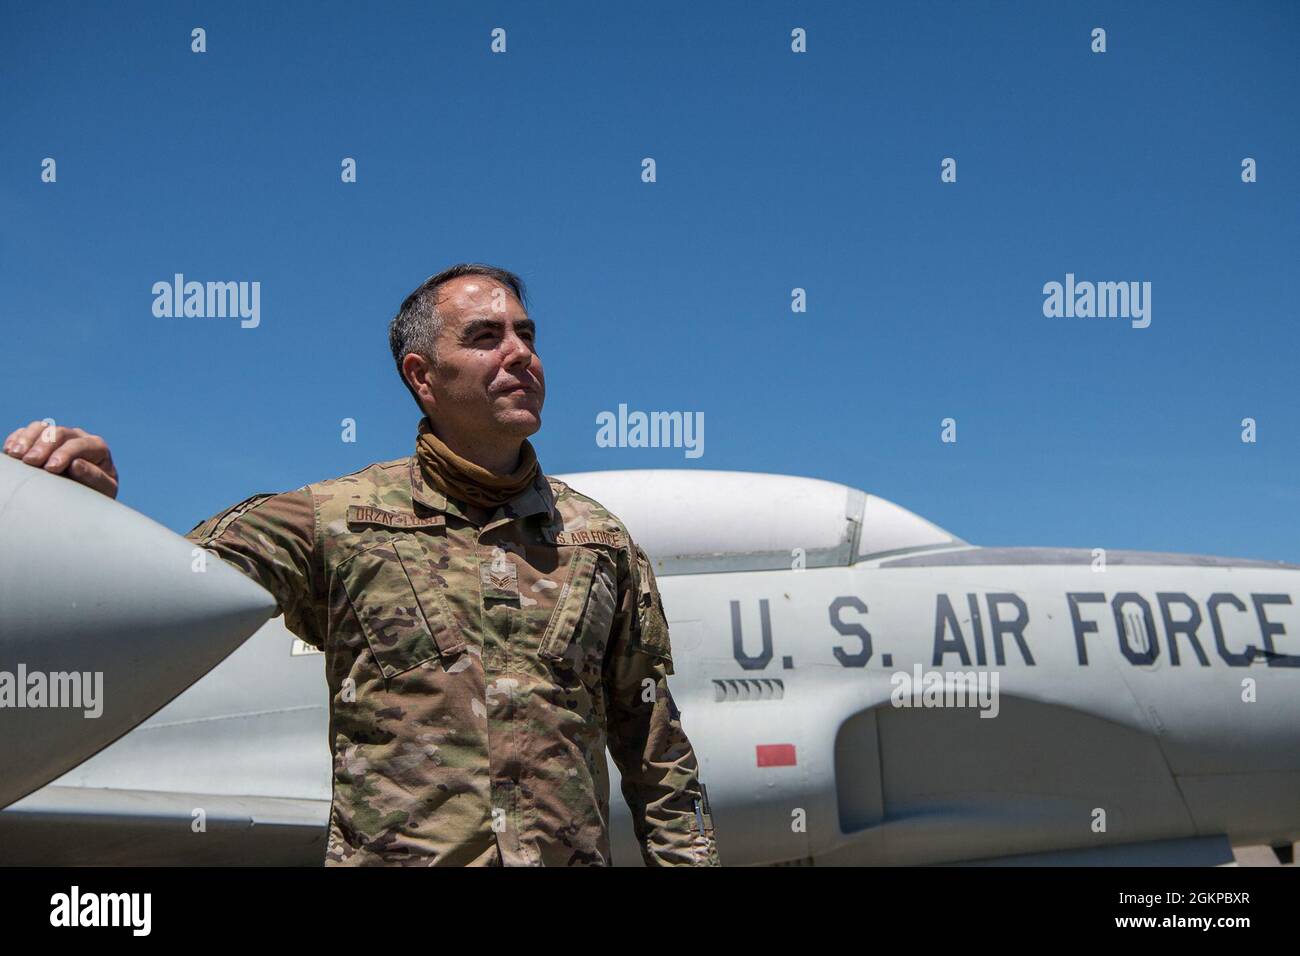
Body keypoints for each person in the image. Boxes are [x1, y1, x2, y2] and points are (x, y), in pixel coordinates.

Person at [3, 263, 719, 867]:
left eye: (526, 335)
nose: (520, 354)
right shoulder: (330, 520)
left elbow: (653, 746)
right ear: (422, 375)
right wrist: (85, 511)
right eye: (485, 337)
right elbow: (159, 588)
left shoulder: (599, 540)